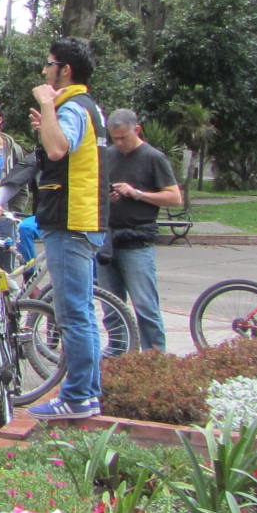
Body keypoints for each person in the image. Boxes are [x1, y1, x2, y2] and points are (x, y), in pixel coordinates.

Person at [26, 37, 109, 422]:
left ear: (66, 70)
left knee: (73, 314)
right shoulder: (86, 106)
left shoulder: (72, 107)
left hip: (71, 221)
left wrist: (48, 106)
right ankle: (87, 394)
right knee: (82, 313)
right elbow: (59, 147)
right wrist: (47, 121)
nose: (45, 71)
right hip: (82, 220)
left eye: (49, 64)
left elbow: (58, 149)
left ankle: (77, 397)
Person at [102, 109, 181, 353]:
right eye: (114, 138)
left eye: (123, 137)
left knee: (145, 305)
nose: (119, 143)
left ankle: (154, 355)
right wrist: (108, 196)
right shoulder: (108, 155)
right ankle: (117, 353)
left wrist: (137, 194)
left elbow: (174, 197)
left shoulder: (153, 157)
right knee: (111, 305)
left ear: (137, 130)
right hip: (108, 239)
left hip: (137, 240)